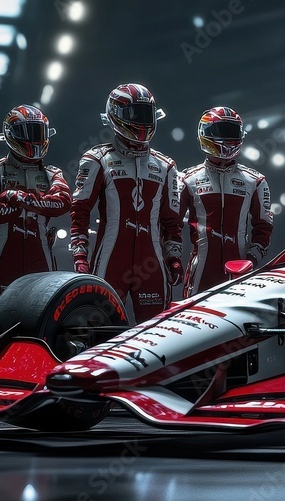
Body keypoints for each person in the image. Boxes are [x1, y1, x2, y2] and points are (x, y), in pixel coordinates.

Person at [70, 83, 182, 322]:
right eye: (134, 114)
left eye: (146, 114)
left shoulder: (166, 166)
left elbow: (171, 222)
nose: (141, 122)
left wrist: (173, 256)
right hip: (111, 261)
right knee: (100, 331)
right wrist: (80, 255)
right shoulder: (97, 159)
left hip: (151, 264)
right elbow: (79, 212)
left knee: (158, 332)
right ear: (115, 115)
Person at [0, 105, 71, 336]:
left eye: (39, 132)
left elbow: (63, 203)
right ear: (11, 133)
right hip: (1, 259)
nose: (35, 140)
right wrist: (35, 204)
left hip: (41, 258)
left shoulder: (52, 172)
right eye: (29, 132)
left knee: (43, 324)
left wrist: (17, 198)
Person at [176, 106, 273, 296]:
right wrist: (172, 258)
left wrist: (252, 258)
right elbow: (171, 225)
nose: (227, 139)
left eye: (232, 132)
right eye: (221, 131)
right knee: (195, 321)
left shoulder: (255, 181)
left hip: (242, 270)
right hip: (201, 271)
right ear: (205, 133)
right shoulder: (187, 179)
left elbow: (264, 228)